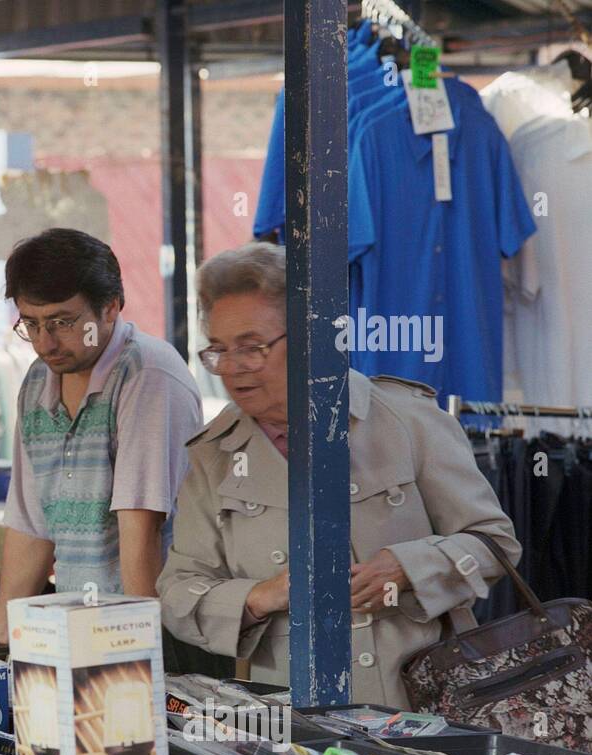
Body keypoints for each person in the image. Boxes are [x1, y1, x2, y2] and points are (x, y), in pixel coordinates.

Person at [157, 243, 522, 706]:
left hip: (424, 707)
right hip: (291, 715)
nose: (232, 368)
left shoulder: (406, 420)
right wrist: (260, 597)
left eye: (252, 347)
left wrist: (408, 567)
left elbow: (495, 544)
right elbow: (178, 591)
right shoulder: (214, 454)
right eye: (219, 351)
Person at [0, 228, 203, 641]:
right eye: (30, 324)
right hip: (81, 631)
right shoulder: (36, 383)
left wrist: (141, 659)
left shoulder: (147, 374)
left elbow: (142, 531)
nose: (45, 342)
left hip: (160, 633)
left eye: (62, 322)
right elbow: (31, 530)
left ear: (111, 307)